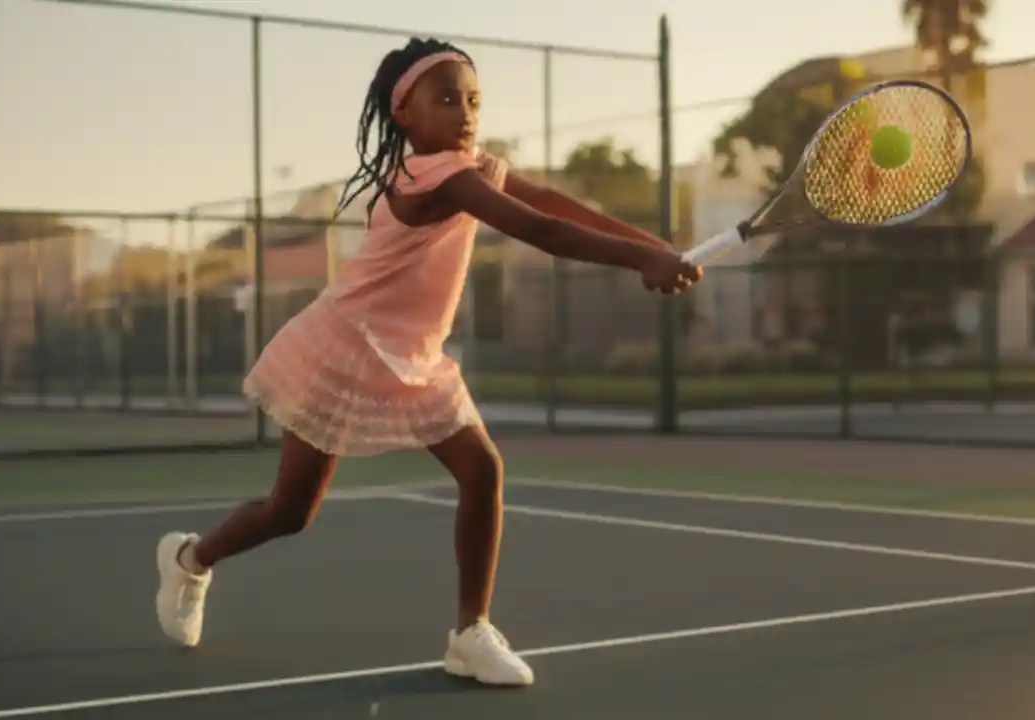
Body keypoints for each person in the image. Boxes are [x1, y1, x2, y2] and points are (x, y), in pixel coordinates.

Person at [154, 36, 702, 687]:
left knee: (482, 470)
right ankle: (191, 559)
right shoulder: (429, 178)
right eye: (446, 99)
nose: (465, 112)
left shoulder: (472, 167)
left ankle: (470, 633)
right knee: (291, 511)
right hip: (344, 348)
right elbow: (540, 230)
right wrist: (642, 261)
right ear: (404, 113)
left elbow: (556, 204)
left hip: (416, 359)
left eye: (474, 99)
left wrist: (652, 244)